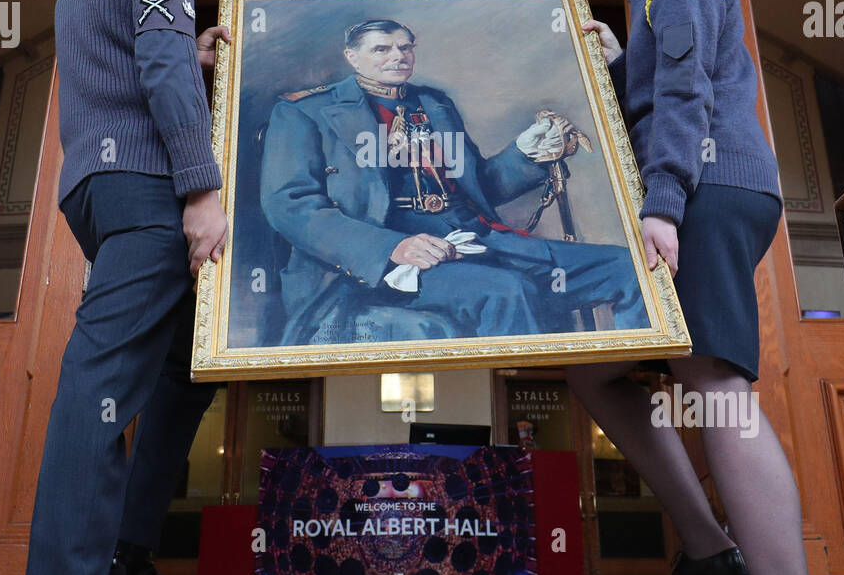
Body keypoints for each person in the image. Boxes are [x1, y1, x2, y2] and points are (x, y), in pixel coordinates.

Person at [570, 0, 839, 575]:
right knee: (595, 370)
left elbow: (686, 93)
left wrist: (664, 201)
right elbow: (659, 91)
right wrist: (620, 63)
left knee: (716, 386)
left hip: (705, 190)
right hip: (714, 186)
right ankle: (709, 549)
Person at [8, 0, 230, 575]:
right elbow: (162, 62)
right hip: (145, 186)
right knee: (98, 388)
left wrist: (195, 55)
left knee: (176, 373)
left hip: (96, 184)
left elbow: (139, 56)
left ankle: (128, 555)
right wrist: (201, 187)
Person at [258, 19, 648, 345]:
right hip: (380, 264)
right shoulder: (305, 111)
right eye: (382, 49)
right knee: (508, 292)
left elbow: (479, 188)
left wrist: (526, 154)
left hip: (477, 240)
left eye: (405, 48)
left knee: (626, 266)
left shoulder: (433, 103)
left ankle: (631, 381)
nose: (398, 57)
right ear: (352, 57)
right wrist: (394, 246)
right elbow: (291, 207)